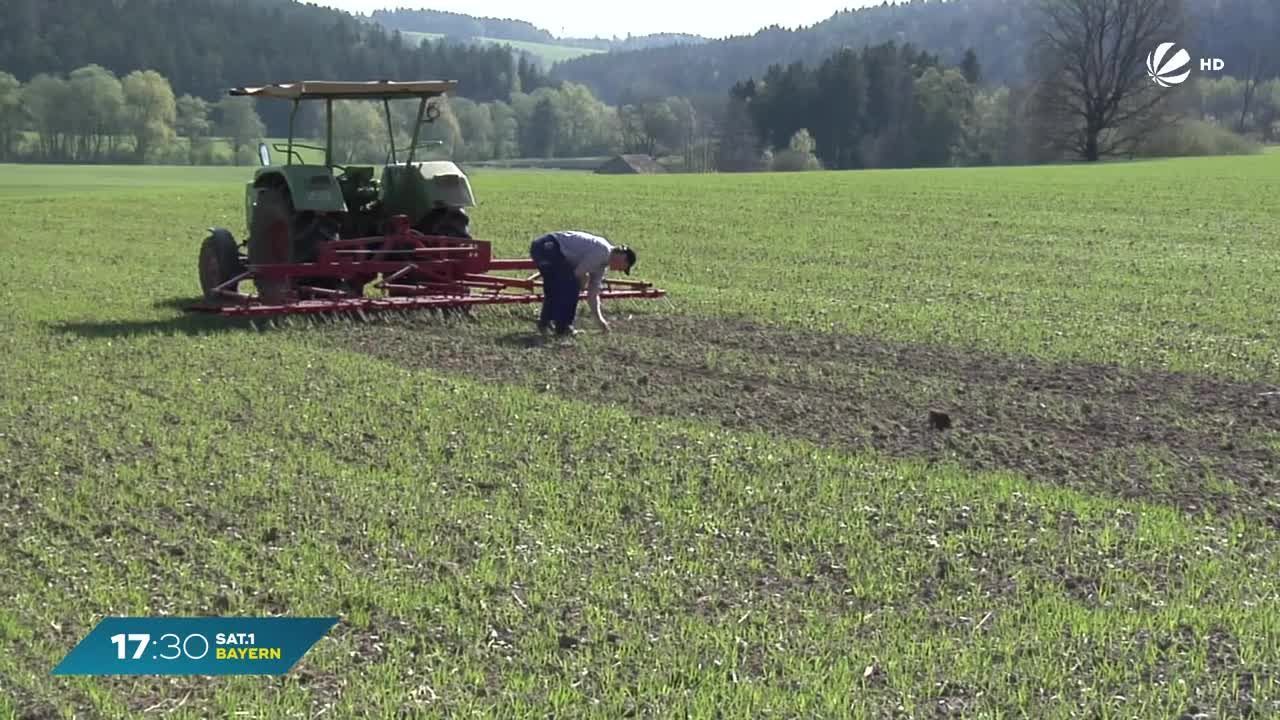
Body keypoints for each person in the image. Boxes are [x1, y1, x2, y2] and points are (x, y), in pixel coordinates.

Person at [529, 230, 637, 336]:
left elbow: (593, 295)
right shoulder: (602, 252)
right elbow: (578, 274)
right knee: (571, 285)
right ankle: (564, 326)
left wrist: (600, 320)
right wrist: (582, 282)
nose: (620, 270)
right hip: (549, 247)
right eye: (624, 267)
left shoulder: (601, 265)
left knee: (554, 286)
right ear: (623, 258)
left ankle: (546, 323)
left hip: (540, 247)